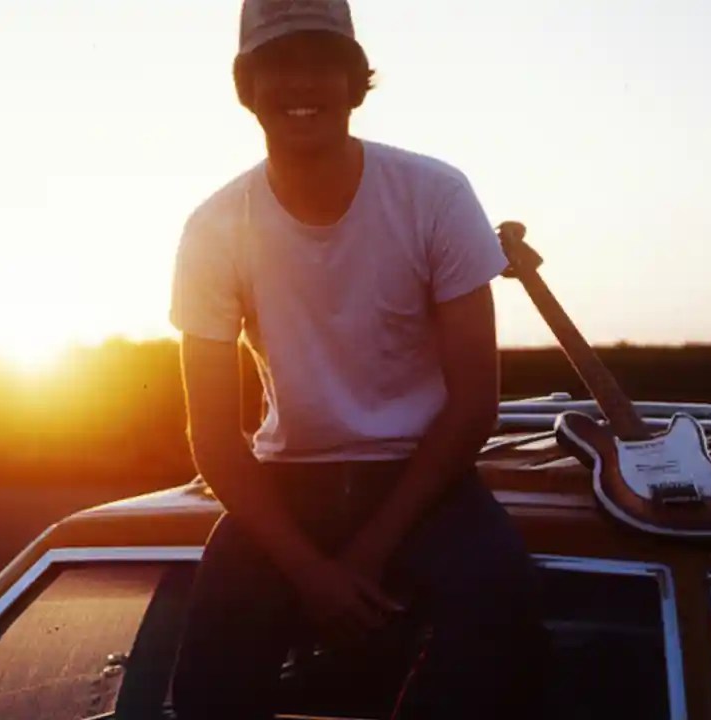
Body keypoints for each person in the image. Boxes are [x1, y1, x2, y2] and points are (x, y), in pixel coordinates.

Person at [167, 1, 544, 717]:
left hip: (428, 482)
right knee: (209, 683)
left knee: (503, 614)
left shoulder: (436, 194)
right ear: (246, 88)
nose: (300, 84)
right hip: (284, 490)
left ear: (355, 80)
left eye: (321, 62)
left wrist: (364, 559)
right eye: (277, 65)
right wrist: (311, 573)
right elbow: (213, 437)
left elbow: (474, 407)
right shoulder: (213, 227)